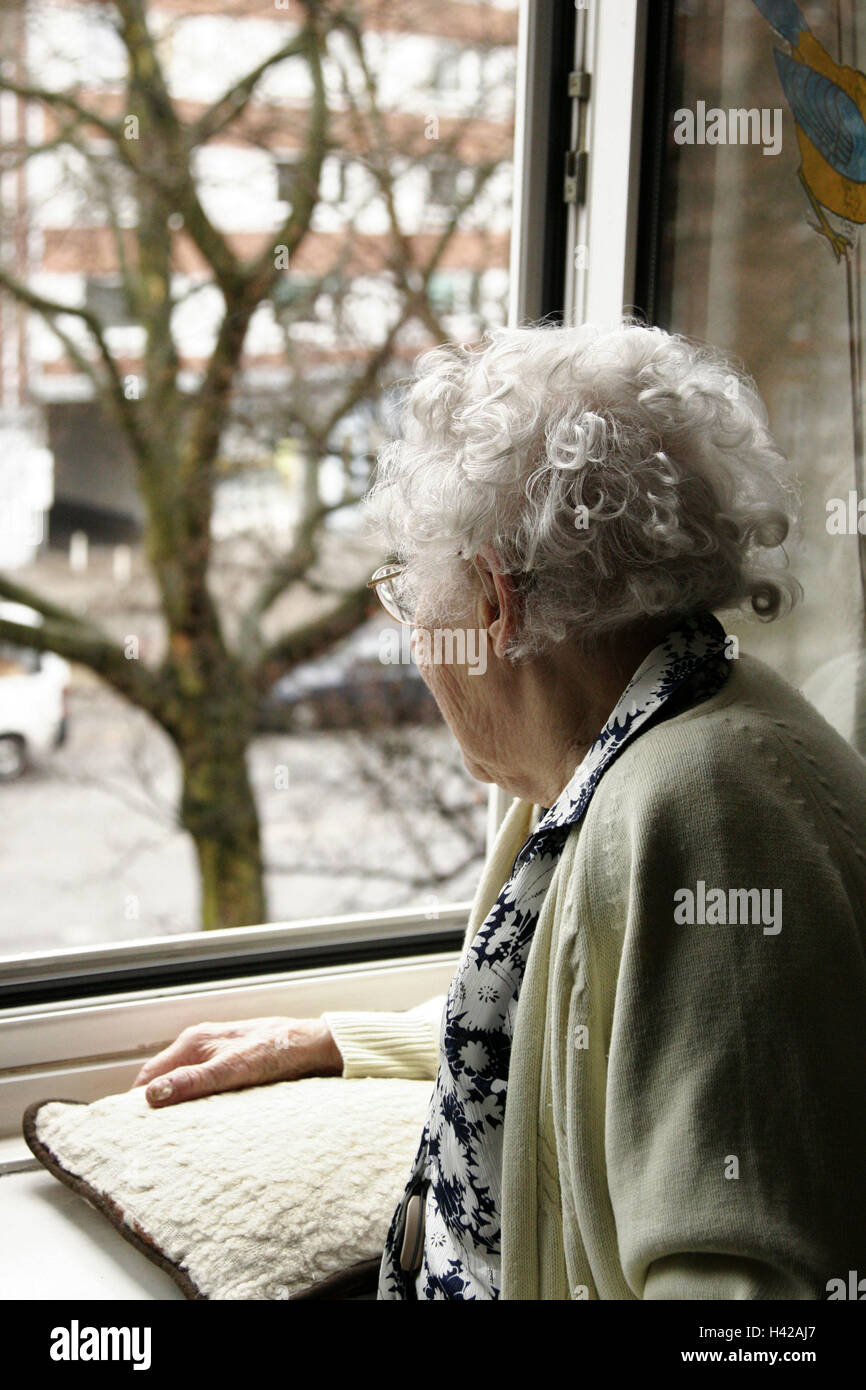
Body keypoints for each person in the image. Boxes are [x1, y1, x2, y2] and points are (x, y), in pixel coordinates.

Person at [132, 320, 866, 1300]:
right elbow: (593, 1020)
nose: (417, 643)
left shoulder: (700, 818)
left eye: (408, 593)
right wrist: (341, 1039)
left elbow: (741, 1295)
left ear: (490, 599)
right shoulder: (631, 735)